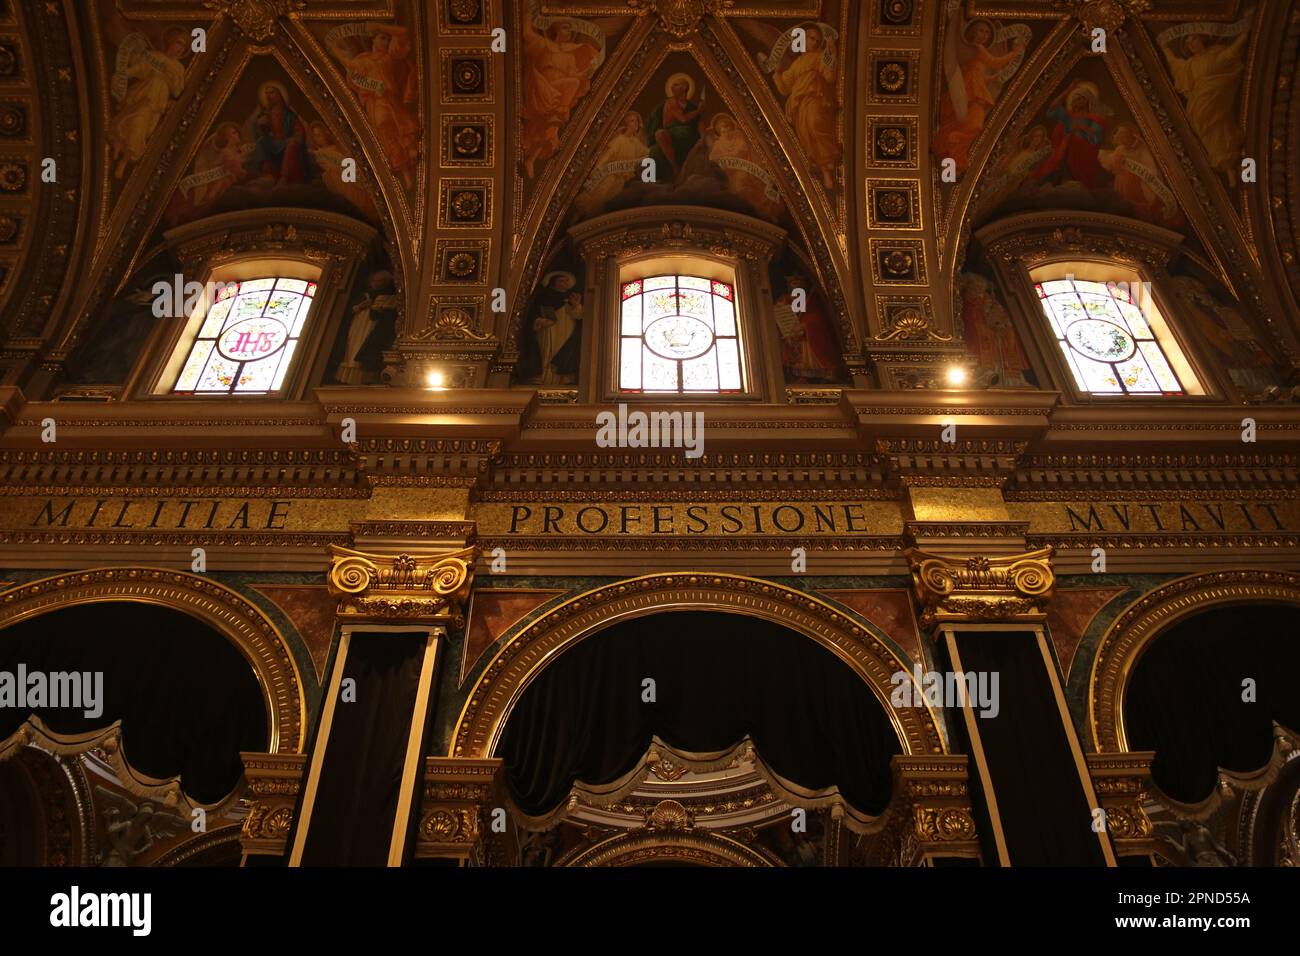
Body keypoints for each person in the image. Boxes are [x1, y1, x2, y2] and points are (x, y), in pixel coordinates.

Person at [330, 26, 419, 190]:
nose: (385, 42)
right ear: (373, 39)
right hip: (376, 103)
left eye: (387, 39)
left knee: (398, 135)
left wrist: (378, 26)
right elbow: (349, 65)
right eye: (382, 38)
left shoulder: (389, 57)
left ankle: (408, 173)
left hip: (392, 101)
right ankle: (406, 174)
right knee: (385, 130)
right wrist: (335, 49)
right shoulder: (363, 61)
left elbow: (403, 33)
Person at [934, 16, 1024, 174]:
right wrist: (1014, 53)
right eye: (981, 30)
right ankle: (953, 147)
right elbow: (994, 62)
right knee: (975, 125)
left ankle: (952, 154)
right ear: (972, 32)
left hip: (974, 89)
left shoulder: (976, 51)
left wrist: (992, 79)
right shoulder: (977, 48)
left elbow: (979, 76)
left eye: (987, 32)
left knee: (970, 124)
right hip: (970, 90)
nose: (984, 35)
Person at [1161, 28, 1248, 180]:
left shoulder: (1215, 54)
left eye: (1194, 39)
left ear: (1202, 39)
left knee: (1221, 126)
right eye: (1188, 43)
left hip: (1215, 96)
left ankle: (1231, 164)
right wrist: (1164, 48)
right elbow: (1174, 63)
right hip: (1199, 102)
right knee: (1208, 131)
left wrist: (1245, 33)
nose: (1191, 44)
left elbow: (1232, 52)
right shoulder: (1190, 64)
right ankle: (1227, 167)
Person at [521, 19, 601, 178]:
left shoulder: (571, 55)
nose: (569, 32)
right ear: (555, 29)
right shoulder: (544, 44)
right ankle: (530, 154)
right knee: (550, 122)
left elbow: (574, 76)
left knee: (550, 127)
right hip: (543, 88)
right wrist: (527, 10)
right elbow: (526, 33)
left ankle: (531, 158)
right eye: (565, 28)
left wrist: (587, 72)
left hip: (557, 96)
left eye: (570, 29)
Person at [109, 28, 189, 179]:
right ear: (170, 42)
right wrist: (123, 74)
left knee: (140, 127)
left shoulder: (178, 68)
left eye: (184, 46)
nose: (180, 48)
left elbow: (177, 91)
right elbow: (138, 69)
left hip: (157, 101)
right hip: (142, 93)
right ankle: (118, 149)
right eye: (178, 42)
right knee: (131, 120)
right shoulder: (154, 57)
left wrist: (172, 78)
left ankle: (124, 160)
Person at [772, 24, 839, 189]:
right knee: (805, 134)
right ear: (802, 40)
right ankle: (825, 173)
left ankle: (829, 161)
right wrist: (777, 73)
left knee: (815, 124)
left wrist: (832, 55)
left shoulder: (819, 57)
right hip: (799, 103)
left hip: (815, 97)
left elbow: (830, 78)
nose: (815, 42)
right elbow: (784, 88)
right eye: (811, 38)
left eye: (817, 39)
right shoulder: (796, 64)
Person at [1033, 82, 1108, 189]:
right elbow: (1052, 109)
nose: (1074, 100)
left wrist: (1082, 128)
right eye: (1073, 98)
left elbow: (1097, 140)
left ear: (1087, 100)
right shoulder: (1067, 117)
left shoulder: (1095, 120)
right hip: (1064, 156)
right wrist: (1067, 91)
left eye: (1078, 98)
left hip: (1084, 159)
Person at [575, 111, 647, 218]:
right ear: (626, 123)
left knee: (606, 201)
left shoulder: (635, 142)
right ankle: (578, 217)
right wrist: (597, 170)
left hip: (620, 180)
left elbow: (647, 153)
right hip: (609, 176)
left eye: (637, 121)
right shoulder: (619, 140)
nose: (635, 123)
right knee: (596, 197)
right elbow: (606, 156)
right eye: (632, 121)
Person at [247, 82, 311, 187]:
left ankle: (284, 177)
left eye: (271, 93)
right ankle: (268, 175)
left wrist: (293, 139)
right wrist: (260, 126)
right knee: (262, 141)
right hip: (273, 145)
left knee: (291, 144)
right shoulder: (264, 114)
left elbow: (299, 132)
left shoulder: (289, 115)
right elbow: (258, 135)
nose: (268, 96)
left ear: (279, 95)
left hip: (286, 144)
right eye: (266, 93)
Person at [647, 74, 707, 181]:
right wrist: (699, 111)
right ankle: (675, 167)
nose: (672, 87)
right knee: (660, 134)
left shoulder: (691, 106)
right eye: (672, 85)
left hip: (689, 137)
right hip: (672, 135)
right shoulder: (671, 102)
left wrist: (703, 138)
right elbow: (682, 119)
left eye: (676, 84)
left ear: (684, 87)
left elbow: (700, 123)